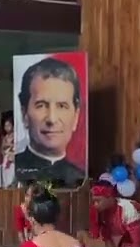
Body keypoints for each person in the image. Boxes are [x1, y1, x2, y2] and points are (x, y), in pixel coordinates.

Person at [14, 58, 86, 186]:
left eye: (62, 106)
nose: (52, 119)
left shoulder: (81, 180)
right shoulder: (13, 173)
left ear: (76, 116)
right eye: (41, 105)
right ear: (24, 113)